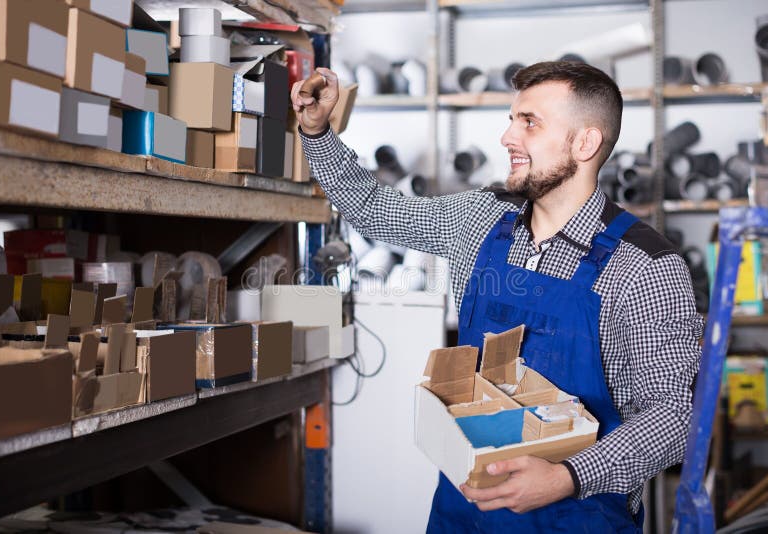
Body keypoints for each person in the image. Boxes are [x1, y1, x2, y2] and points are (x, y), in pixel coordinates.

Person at [291, 61, 703, 533]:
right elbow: (376, 210)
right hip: (467, 507)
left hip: (577, 515)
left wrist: (568, 476)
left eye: (529, 122)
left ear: (585, 143)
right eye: (511, 120)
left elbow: (674, 415)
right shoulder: (481, 218)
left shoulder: (645, 267)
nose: (507, 137)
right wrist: (318, 132)